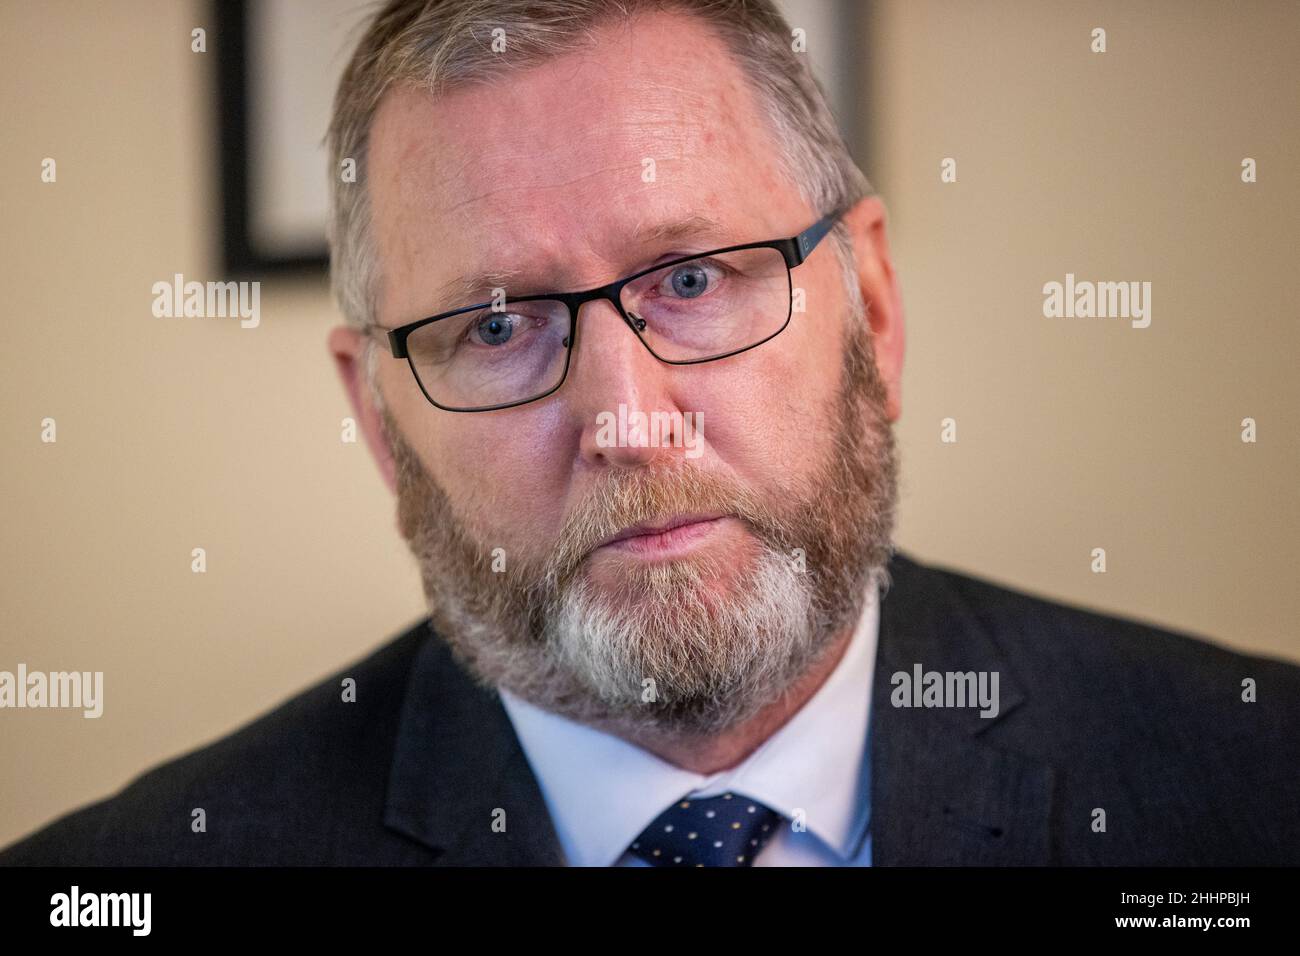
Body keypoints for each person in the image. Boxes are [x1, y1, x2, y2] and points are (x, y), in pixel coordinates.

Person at [3, 0, 1297, 867]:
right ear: (380, 425)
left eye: (694, 279)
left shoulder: (1253, 785)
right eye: (499, 328)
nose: (625, 419)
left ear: (876, 308)